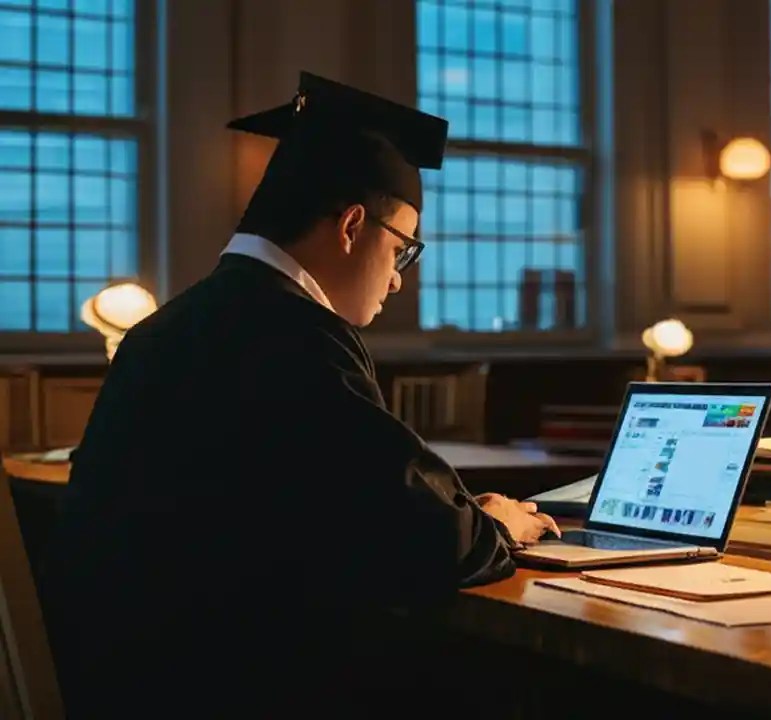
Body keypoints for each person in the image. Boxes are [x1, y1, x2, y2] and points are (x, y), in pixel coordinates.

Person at [38, 71, 559, 718]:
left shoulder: (172, 324)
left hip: (124, 678)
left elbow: (328, 499)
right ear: (350, 225)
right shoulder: (292, 334)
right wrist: (497, 526)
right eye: (403, 250)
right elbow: (431, 541)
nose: (398, 281)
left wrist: (456, 509)